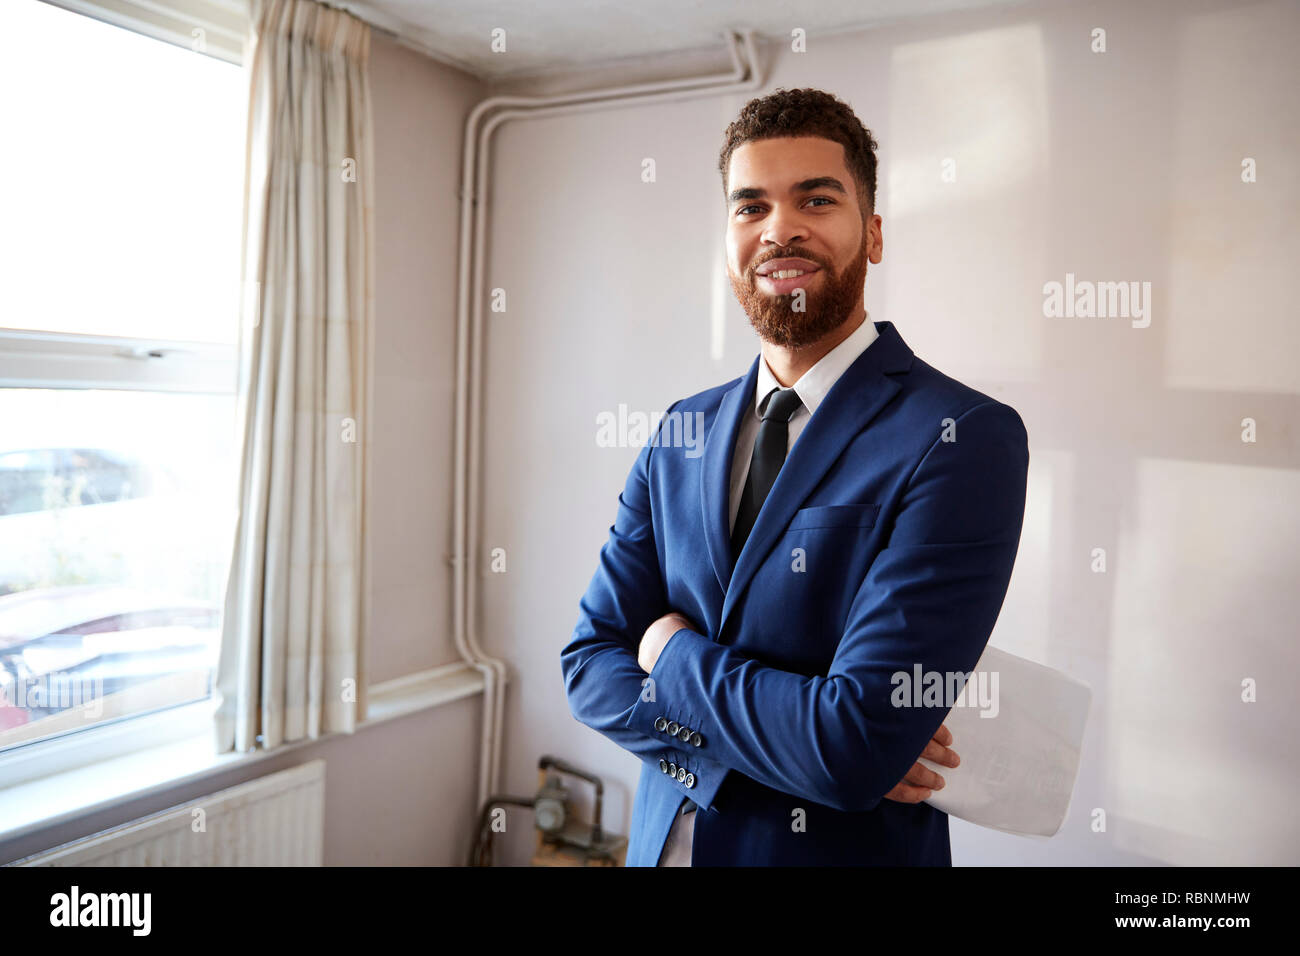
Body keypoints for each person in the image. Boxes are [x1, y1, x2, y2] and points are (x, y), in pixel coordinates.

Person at [560, 87, 1029, 866]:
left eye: (816, 198)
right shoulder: (682, 428)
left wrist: (669, 654)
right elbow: (587, 667)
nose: (780, 228)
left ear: (872, 233)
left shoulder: (961, 437)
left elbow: (851, 748)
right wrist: (783, 744)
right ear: (729, 239)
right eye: (751, 207)